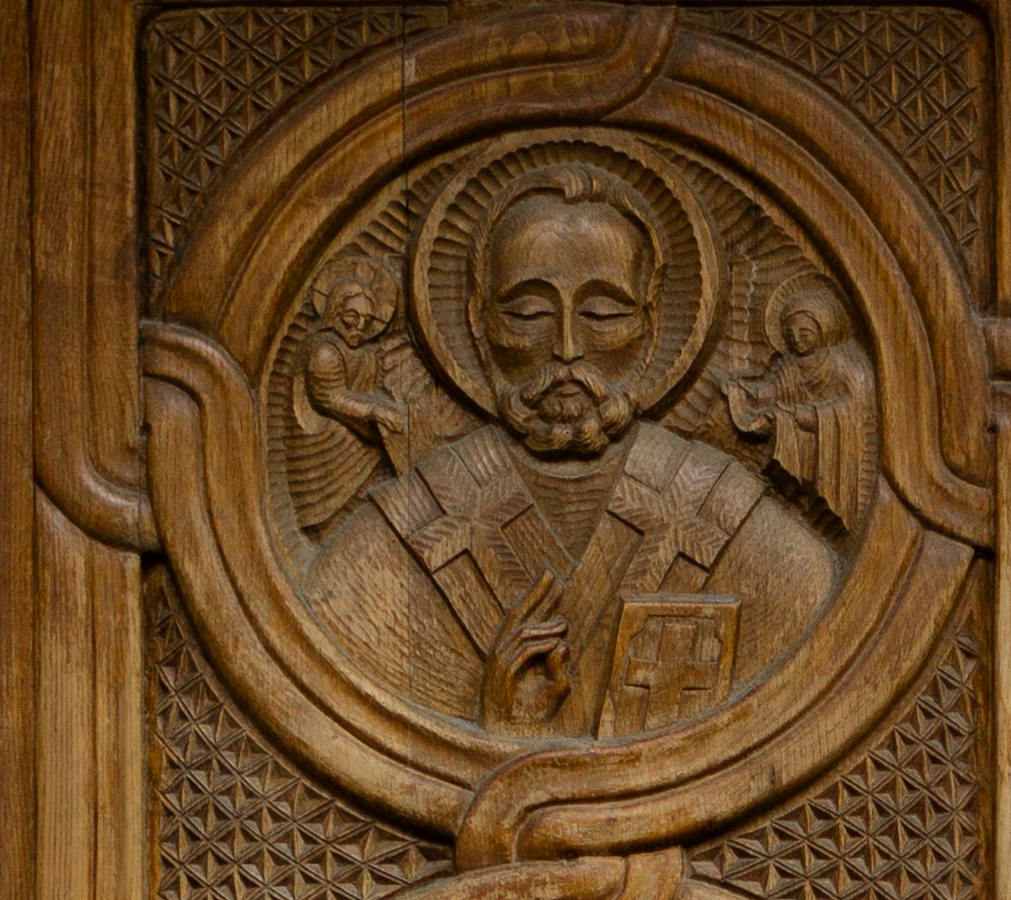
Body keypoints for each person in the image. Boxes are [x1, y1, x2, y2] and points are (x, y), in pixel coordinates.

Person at [302, 149, 844, 734]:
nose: (566, 347)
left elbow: (813, 638)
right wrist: (499, 728)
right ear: (478, 323)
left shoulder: (727, 517)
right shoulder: (398, 536)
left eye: (603, 313)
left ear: (652, 326)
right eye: (528, 312)